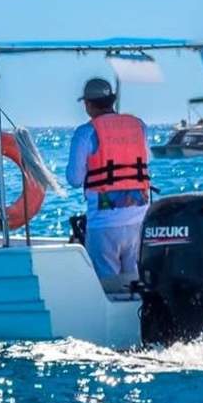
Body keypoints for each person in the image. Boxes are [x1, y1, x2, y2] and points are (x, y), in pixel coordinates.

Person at [66, 77, 151, 289]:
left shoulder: (85, 132)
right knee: (135, 282)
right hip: (139, 218)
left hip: (104, 222)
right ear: (112, 101)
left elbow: (74, 179)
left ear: (88, 104)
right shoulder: (138, 126)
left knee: (107, 286)